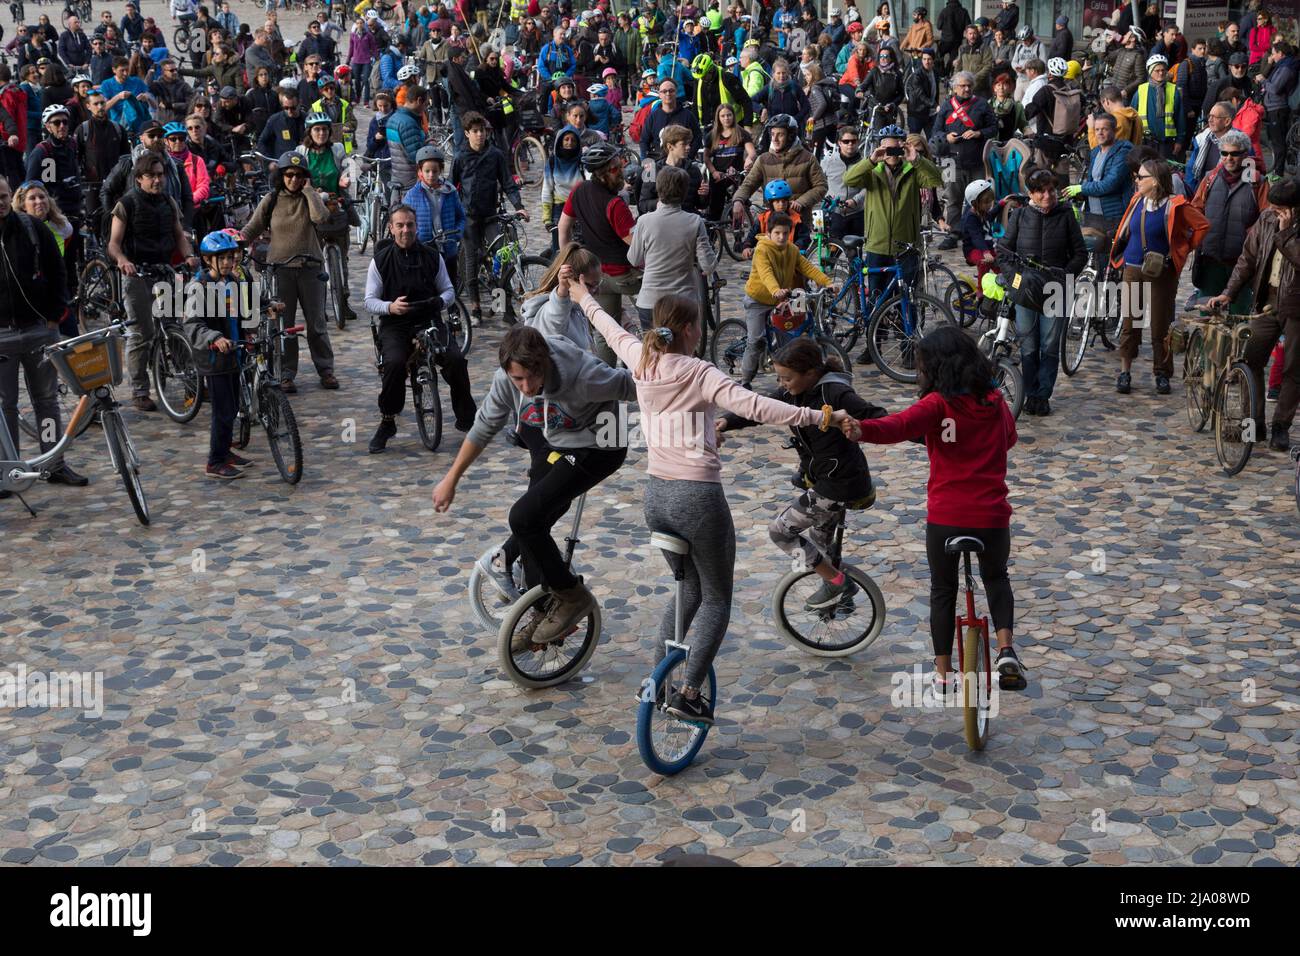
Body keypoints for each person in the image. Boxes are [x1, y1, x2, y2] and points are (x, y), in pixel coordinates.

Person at [569, 279, 850, 723]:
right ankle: (689, 691)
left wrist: (580, 293)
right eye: (698, 326)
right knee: (717, 597)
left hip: (656, 498)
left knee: (688, 589)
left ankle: (656, 682)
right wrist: (819, 416)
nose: (701, 333)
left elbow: (606, 325)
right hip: (697, 498)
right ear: (686, 329)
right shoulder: (700, 373)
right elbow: (758, 406)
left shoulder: (639, 359)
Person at [841, 326, 1024, 692]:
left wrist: (862, 430)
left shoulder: (937, 404)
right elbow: (1011, 439)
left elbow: (898, 426)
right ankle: (1005, 648)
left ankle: (943, 674)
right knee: (996, 578)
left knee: (943, 589)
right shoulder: (995, 401)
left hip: (947, 517)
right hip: (990, 516)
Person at [433, 323, 635, 648]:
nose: (526, 387)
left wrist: (695, 418)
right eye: (518, 379)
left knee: (523, 517)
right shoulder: (507, 381)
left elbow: (637, 386)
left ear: (544, 363)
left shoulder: (582, 376)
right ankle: (542, 612)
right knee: (533, 522)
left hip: (599, 447)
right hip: (558, 441)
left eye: (532, 376)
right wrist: (451, 478)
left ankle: (572, 596)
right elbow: (484, 426)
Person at [718, 335, 886, 610]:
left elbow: (877, 415)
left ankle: (836, 582)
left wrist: (923, 431)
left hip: (840, 484)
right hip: (823, 479)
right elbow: (760, 409)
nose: (782, 385)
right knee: (819, 548)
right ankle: (838, 593)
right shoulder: (791, 393)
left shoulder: (835, 393)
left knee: (780, 532)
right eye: (779, 379)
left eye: (786, 378)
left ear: (811, 373)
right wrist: (726, 420)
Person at [0, 176, 87, 494]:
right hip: (2, 336)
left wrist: (54, 316)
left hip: (38, 329)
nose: (0, 202)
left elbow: (57, 270)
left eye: (3, 196)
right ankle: (7, 469)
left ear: (11, 197)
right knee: (5, 406)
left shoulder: (31, 228)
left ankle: (54, 463)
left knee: (46, 401)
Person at [365, 204, 474, 453]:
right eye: (400, 225)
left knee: (455, 359)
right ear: (391, 228)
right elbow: (369, 300)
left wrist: (439, 302)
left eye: (410, 225)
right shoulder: (380, 261)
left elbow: (448, 290)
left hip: (429, 319)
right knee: (393, 363)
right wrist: (390, 307)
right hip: (396, 323)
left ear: (417, 226)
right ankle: (388, 421)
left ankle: (467, 418)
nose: (406, 230)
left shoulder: (431, 256)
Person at [1207, 178, 1300, 452]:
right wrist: (1229, 293)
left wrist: (1286, 234)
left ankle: (1281, 426)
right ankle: (1254, 424)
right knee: (1249, 358)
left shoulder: (1287, 227)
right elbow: (1247, 258)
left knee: (1293, 369)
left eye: (1281, 209)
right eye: (1273, 207)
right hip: (1267, 302)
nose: (1275, 213)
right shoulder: (1267, 219)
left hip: (1296, 305)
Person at [107, 153, 200, 412]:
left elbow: (179, 235)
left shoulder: (168, 202)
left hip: (164, 271)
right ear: (139, 179)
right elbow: (113, 244)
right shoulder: (126, 204)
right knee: (141, 333)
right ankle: (139, 390)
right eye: (152, 176)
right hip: (136, 275)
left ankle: (190, 382)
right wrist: (124, 261)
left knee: (173, 327)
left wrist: (189, 255)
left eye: (161, 175)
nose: (158, 180)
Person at [1110, 156, 1209, 396]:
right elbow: (1126, 230)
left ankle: (1162, 373)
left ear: (1155, 181)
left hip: (1161, 272)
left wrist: (1182, 250)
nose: (1136, 180)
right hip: (1132, 268)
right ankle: (1125, 371)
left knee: (1160, 326)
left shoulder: (1176, 205)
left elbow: (1202, 225)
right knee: (1130, 322)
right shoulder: (1137, 200)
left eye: (1141, 177)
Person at [240, 152, 336, 393]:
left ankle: (326, 370)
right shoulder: (271, 199)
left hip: (310, 268)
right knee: (283, 326)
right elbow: (252, 227)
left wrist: (310, 191)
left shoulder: (308, 196)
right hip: (280, 271)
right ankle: (285, 373)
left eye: (299, 175)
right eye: (289, 175)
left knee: (316, 324)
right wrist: (236, 244)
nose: (293, 179)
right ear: (281, 176)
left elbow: (322, 218)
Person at [996, 169, 1087, 416]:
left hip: (1055, 290)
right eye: (1041, 191)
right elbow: (1004, 251)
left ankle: (1042, 394)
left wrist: (1065, 276)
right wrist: (1017, 280)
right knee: (1028, 344)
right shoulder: (1020, 215)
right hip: (1026, 290)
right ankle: (1028, 393)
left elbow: (1080, 254)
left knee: (1048, 345)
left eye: (1051, 190)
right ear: (1031, 194)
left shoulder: (1066, 216)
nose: (1047, 196)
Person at [183, 230, 256, 480]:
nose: (228, 262)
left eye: (230, 257)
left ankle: (226, 451)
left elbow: (245, 310)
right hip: (215, 358)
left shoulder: (233, 282)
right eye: (221, 258)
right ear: (207, 260)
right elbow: (193, 324)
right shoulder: (199, 287)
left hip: (233, 354)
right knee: (222, 410)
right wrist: (214, 338)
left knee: (233, 405)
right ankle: (215, 460)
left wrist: (266, 307)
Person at [557, 142, 637, 365]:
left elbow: (563, 228)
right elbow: (635, 245)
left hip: (596, 275)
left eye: (620, 165)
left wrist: (570, 260)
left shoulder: (579, 191)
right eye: (615, 168)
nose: (621, 170)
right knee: (655, 314)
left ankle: (607, 379)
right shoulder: (615, 205)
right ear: (603, 173)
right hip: (625, 275)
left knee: (603, 331)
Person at [452, 110, 527, 324]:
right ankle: (475, 308)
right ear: (467, 133)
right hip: (469, 216)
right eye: (475, 131)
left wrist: (519, 206)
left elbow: (507, 183)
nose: (480, 135)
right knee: (472, 260)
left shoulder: (495, 155)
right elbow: (451, 185)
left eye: (482, 131)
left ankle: (503, 308)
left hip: (491, 214)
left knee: (501, 259)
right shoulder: (460, 157)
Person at [739, 211, 831, 386]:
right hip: (758, 300)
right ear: (769, 233)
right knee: (756, 340)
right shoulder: (762, 250)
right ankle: (745, 381)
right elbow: (766, 273)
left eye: (785, 233)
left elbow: (807, 268)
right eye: (777, 233)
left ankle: (784, 379)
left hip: (779, 300)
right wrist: (775, 290)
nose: (781, 237)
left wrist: (827, 282)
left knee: (788, 340)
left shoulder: (792, 250)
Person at [628, 165, 718, 331]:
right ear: (684, 193)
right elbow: (709, 264)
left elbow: (634, 259)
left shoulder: (644, 221)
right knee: (681, 354)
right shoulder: (695, 221)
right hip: (682, 301)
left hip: (651, 301)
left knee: (655, 354)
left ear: (658, 189)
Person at [1189, 129, 1267, 314]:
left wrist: (1250, 236)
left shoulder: (1257, 182)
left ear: (1245, 154)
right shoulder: (1210, 179)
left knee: (1239, 318)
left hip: (1242, 263)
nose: (1229, 158)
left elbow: (1267, 217)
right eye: (1224, 153)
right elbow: (1195, 210)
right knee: (1206, 316)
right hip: (1210, 259)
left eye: (1235, 153)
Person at [296, 112, 355, 323]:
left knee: (343, 257)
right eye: (317, 129)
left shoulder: (336, 149)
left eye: (324, 129)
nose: (321, 133)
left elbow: (349, 166)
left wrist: (346, 178)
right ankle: (318, 305)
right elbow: (296, 177)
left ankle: (344, 299)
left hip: (336, 206)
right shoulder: (301, 152)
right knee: (313, 262)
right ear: (309, 132)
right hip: (312, 210)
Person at [931, 72, 997, 249]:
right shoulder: (946, 106)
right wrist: (946, 136)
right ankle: (953, 233)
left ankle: (974, 234)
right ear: (954, 88)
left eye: (969, 85)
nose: (966, 89)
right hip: (950, 161)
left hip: (976, 161)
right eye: (962, 86)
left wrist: (978, 133)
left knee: (977, 200)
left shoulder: (982, 105)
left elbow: (993, 127)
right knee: (952, 199)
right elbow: (935, 131)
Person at [730, 113, 826, 227]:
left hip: (799, 223)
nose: (774, 139)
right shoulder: (763, 159)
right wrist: (738, 200)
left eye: (780, 134)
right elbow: (748, 184)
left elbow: (821, 186)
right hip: (772, 223)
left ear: (791, 136)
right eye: (772, 134)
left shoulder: (808, 158)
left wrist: (801, 202)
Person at [1063, 111, 1135, 260]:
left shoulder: (1123, 153)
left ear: (1114, 131)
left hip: (1114, 215)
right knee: (1095, 259)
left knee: (1113, 258)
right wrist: (1079, 193)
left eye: (1104, 129)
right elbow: (1091, 181)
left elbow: (1109, 185)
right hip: (1094, 216)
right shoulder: (1095, 152)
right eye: (1097, 129)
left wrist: (1081, 188)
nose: (1100, 133)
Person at [403, 146, 465, 285]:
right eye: (427, 171)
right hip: (425, 249)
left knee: (450, 285)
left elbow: (461, 216)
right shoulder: (412, 195)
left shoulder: (450, 192)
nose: (431, 175)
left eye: (435, 171)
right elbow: (406, 221)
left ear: (440, 170)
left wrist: (456, 234)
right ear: (420, 172)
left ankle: (453, 307)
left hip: (448, 248)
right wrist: (417, 237)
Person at [520, 243, 600, 350]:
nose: (596, 291)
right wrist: (563, 290)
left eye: (598, 284)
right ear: (571, 282)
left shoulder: (577, 307)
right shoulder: (552, 311)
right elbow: (556, 314)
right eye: (591, 285)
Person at [1132, 55, 1184, 158]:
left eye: (1163, 70)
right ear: (1150, 71)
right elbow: (1132, 116)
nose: (1161, 73)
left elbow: (1180, 118)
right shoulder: (1141, 90)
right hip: (1146, 142)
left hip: (1166, 143)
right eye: (1157, 70)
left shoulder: (1173, 90)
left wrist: (1179, 140)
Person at [822, 125, 864, 240]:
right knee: (833, 252)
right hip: (835, 213)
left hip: (857, 212)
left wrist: (855, 200)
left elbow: (869, 187)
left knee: (855, 253)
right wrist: (827, 199)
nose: (850, 144)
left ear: (858, 142)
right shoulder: (828, 162)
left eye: (853, 141)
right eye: (846, 141)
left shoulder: (864, 163)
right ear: (839, 143)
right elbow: (820, 183)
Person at [959, 178, 998, 284]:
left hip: (986, 247)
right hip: (973, 250)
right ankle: (981, 290)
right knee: (984, 262)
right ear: (974, 203)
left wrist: (1003, 203)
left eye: (990, 201)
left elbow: (991, 215)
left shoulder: (983, 211)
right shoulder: (971, 218)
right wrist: (985, 252)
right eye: (986, 202)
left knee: (1001, 263)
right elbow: (976, 237)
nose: (990, 204)